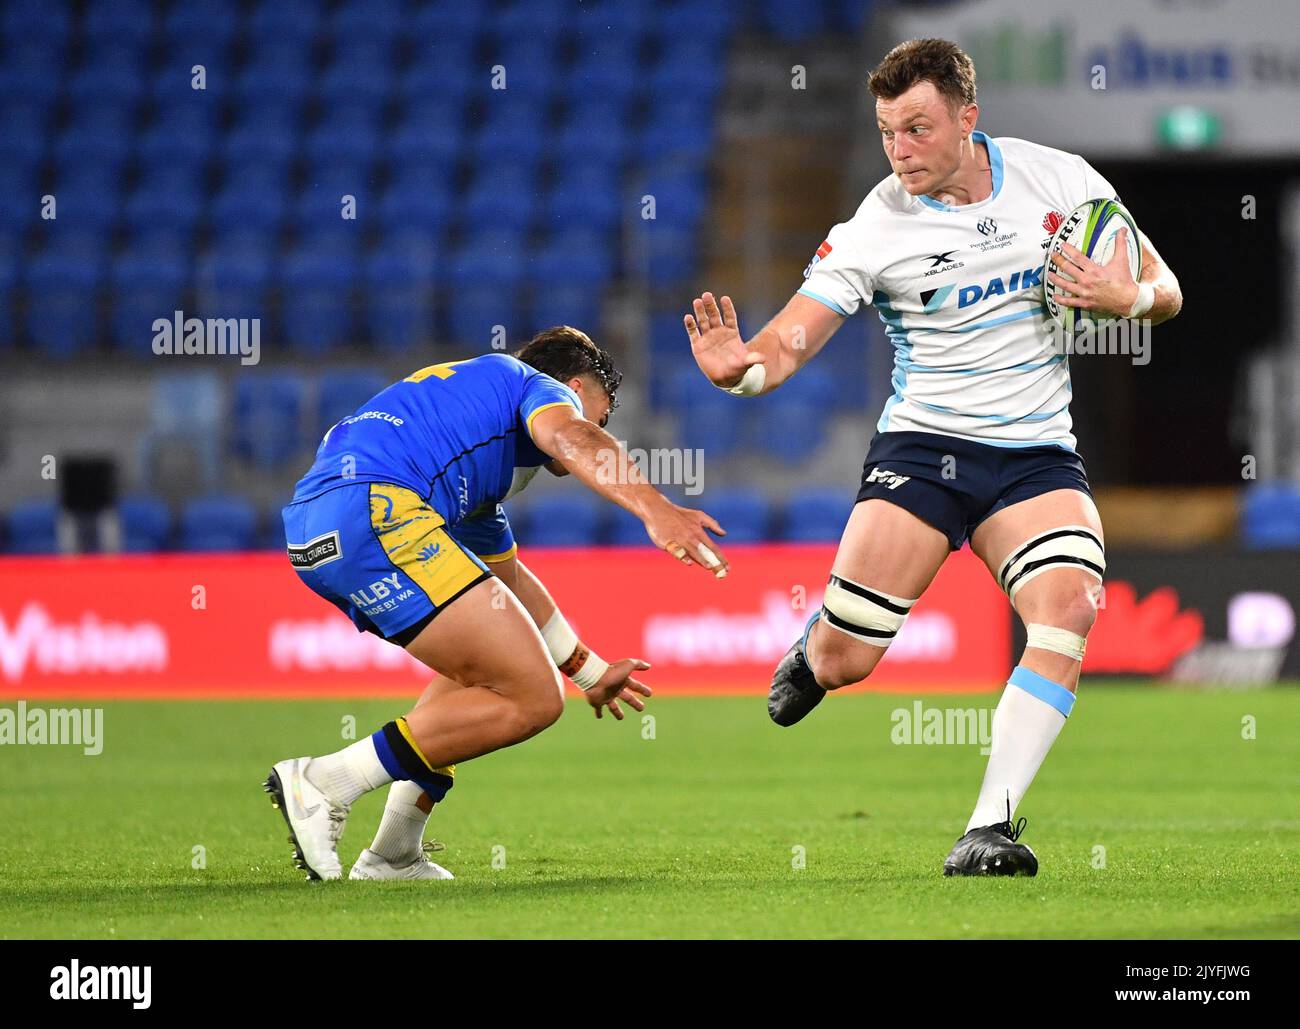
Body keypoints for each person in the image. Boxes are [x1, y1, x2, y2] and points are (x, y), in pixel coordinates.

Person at [683, 39, 1182, 876]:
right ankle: (818, 652)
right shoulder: (877, 226)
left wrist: (1124, 297)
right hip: (922, 450)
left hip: (1033, 456)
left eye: (917, 128)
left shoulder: (1061, 180)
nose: (900, 150)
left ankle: (991, 826)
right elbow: (785, 344)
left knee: (1071, 603)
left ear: (967, 118)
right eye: (886, 132)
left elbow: (1164, 290)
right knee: (852, 657)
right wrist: (744, 373)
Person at [267, 326, 728, 881]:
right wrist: (655, 508)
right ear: (577, 386)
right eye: (602, 409)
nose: (602, 423)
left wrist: (591, 672)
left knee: (483, 674)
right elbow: (574, 437)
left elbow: (507, 587)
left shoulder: (474, 460)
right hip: (377, 507)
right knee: (533, 699)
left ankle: (393, 853)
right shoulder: (532, 384)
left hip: (323, 530)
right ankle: (325, 783)